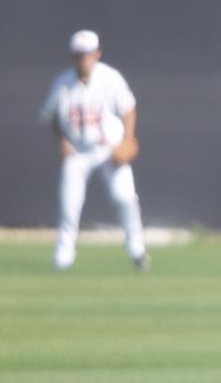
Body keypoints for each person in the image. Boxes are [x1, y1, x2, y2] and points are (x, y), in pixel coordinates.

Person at [40, 30, 149, 270]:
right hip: (78, 151)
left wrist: (128, 139)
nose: (84, 59)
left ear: (97, 53)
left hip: (109, 148)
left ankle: (136, 248)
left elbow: (128, 108)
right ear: (72, 56)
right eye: (79, 55)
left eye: (88, 54)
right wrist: (62, 142)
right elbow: (50, 117)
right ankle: (64, 255)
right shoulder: (62, 84)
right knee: (69, 203)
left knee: (125, 197)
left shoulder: (111, 78)